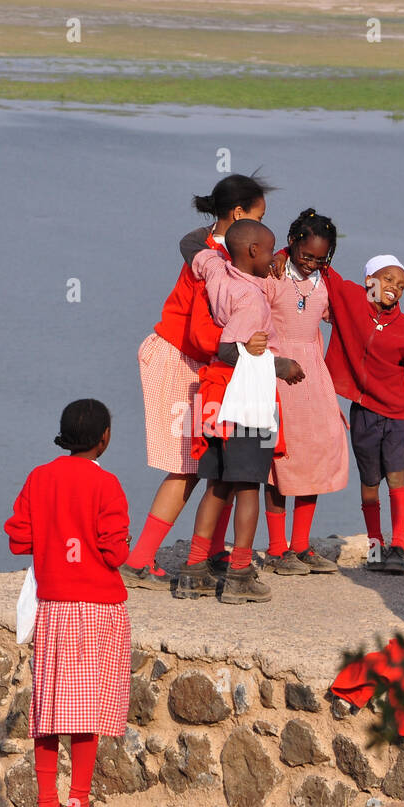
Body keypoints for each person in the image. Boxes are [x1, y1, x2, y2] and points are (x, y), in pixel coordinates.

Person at [122, 173, 274, 592]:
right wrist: (244, 347)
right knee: (187, 464)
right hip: (179, 357)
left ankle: (208, 551)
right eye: (259, 218)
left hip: (207, 364)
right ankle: (138, 561)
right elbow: (197, 331)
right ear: (239, 216)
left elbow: (194, 238)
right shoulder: (212, 264)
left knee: (219, 461)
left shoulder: (218, 254)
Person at [182, 209, 348, 576]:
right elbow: (240, 327)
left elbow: (349, 312)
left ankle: (301, 545)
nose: (311, 264)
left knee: (316, 451)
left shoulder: (327, 282)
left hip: (311, 375)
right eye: (305, 256)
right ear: (290, 245)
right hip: (270, 374)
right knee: (278, 464)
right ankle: (277, 548)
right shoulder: (269, 278)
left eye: (321, 258)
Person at [4, 399, 131, 807]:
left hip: (53, 607)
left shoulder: (40, 477)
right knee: (86, 710)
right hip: (97, 608)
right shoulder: (107, 484)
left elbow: (19, 539)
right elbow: (115, 551)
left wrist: (54, 537)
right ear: (104, 438)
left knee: (50, 709)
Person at [173, 219, 306, 603]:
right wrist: (283, 366)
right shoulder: (251, 300)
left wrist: (220, 220)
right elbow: (231, 350)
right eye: (269, 250)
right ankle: (240, 573)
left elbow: (188, 241)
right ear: (251, 252)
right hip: (247, 400)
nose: (274, 257)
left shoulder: (216, 269)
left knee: (218, 485)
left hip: (216, 398)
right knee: (248, 487)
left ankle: (194, 569)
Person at [319, 254, 404, 574]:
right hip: (363, 412)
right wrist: (283, 257)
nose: (395, 287)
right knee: (369, 482)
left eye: (401, 285)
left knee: (395, 477)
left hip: (396, 416)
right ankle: (375, 547)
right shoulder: (351, 299)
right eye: (389, 279)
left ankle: (399, 547)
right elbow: (326, 272)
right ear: (370, 280)